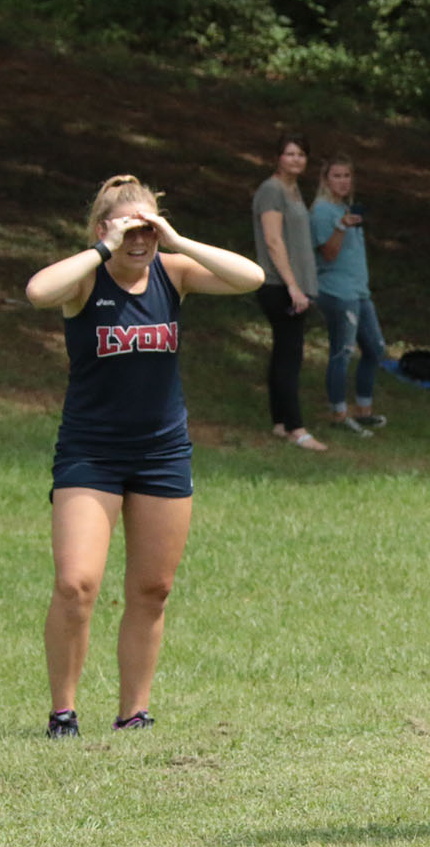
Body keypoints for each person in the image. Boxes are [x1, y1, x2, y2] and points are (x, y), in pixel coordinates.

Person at [25, 175, 266, 737]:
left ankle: (133, 713)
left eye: (148, 228)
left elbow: (252, 278)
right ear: (104, 229)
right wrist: (103, 248)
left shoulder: (172, 271)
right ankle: (63, 712)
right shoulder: (86, 280)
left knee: (153, 590)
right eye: (130, 228)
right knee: (76, 583)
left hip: (161, 452)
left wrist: (176, 240)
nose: (141, 239)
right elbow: (38, 291)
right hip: (91, 452)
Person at [252, 133, 326, 450]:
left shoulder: (293, 191)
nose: (295, 159)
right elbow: (273, 240)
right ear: (277, 157)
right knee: (290, 356)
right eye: (289, 154)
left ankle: (281, 422)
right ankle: (297, 429)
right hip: (279, 285)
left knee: (284, 352)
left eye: (301, 155)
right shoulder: (271, 190)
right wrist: (293, 286)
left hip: (297, 286)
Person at [310, 155, 387, 436]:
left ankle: (364, 410)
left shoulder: (344, 207)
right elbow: (328, 254)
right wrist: (341, 226)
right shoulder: (321, 212)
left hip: (359, 291)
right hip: (336, 292)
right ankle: (339, 415)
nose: (343, 181)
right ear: (325, 180)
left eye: (347, 176)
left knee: (375, 348)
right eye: (337, 176)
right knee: (342, 351)